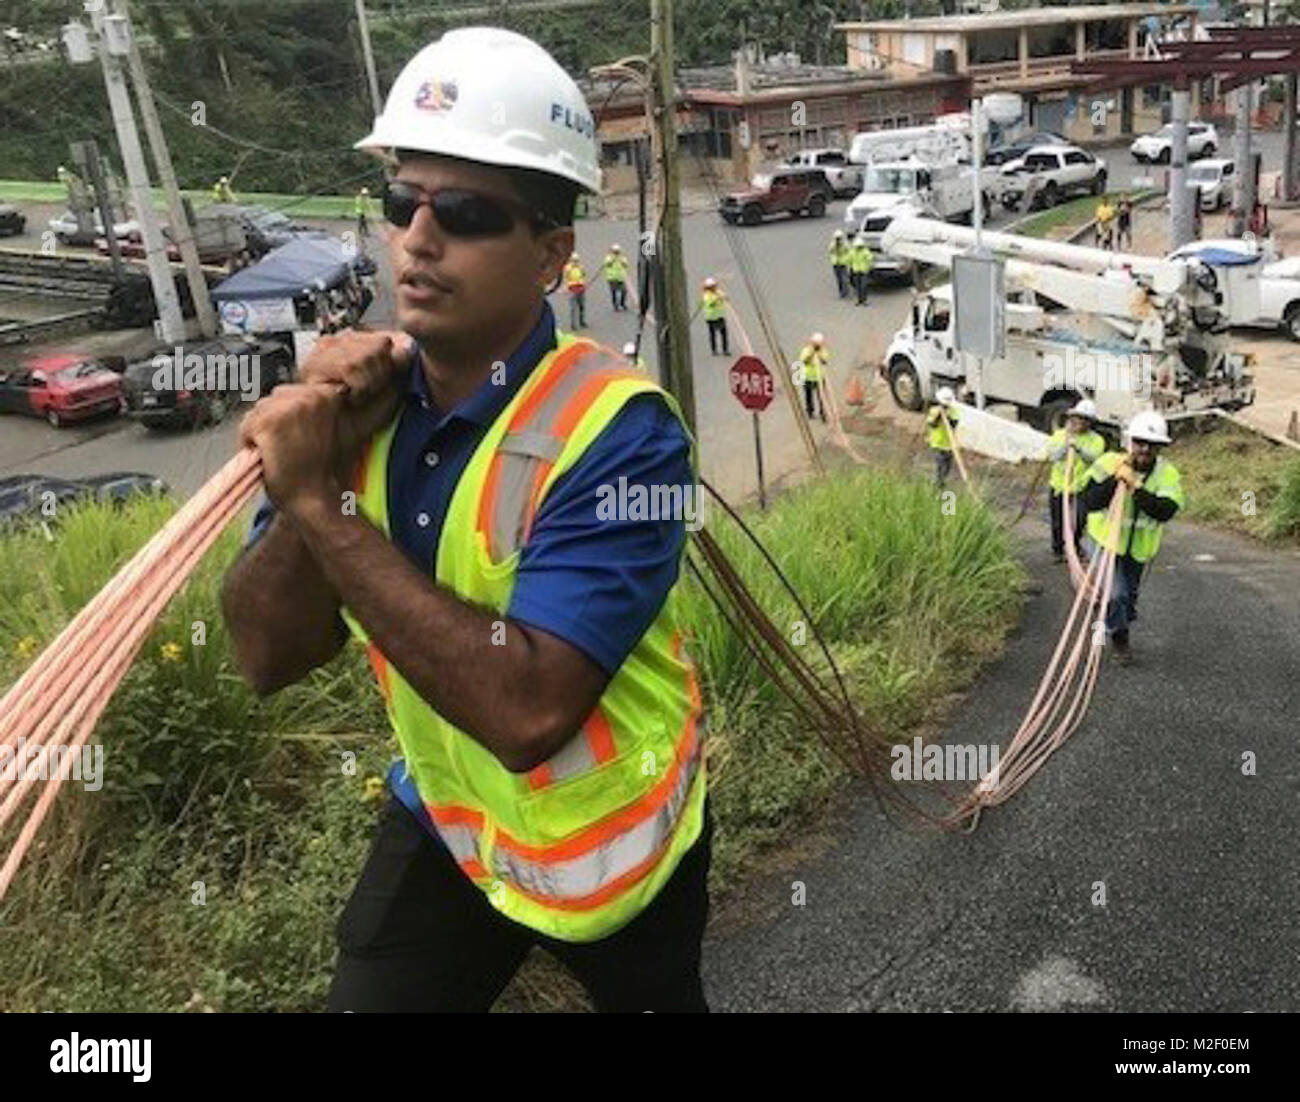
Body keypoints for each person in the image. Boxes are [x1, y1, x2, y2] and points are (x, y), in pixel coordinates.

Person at [220, 26, 711, 1013]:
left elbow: (526, 711)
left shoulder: (619, 433)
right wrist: (318, 471)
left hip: (610, 861)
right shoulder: (355, 410)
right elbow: (266, 654)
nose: (418, 236)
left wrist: (320, 503)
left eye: (469, 212)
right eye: (402, 201)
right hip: (454, 826)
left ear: (551, 253)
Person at [1078, 410, 1184, 664]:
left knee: (1128, 598)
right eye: (1139, 442)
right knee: (1117, 595)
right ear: (1129, 442)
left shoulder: (1167, 474)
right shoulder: (1108, 463)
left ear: (1160, 448)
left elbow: (1165, 511)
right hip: (1104, 542)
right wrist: (1116, 480)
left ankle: (1115, 614)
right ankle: (1119, 640)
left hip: (1137, 550)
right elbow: (1089, 500)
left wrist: (1137, 488)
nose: (1144, 449)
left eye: (1152, 445)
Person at [1046, 398, 1106, 563]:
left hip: (1081, 487)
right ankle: (1058, 549)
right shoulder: (1060, 435)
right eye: (1078, 418)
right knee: (1058, 520)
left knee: (1079, 520)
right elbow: (1053, 456)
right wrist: (1066, 445)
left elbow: (1094, 459)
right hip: (1059, 486)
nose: (1080, 422)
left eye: (1085, 419)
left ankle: (1073, 546)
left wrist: (1078, 449)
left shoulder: (1096, 440)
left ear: (1090, 422)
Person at [926, 385, 960, 487]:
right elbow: (932, 424)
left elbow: (954, 424)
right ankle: (938, 484)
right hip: (937, 444)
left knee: (947, 466)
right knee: (940, 465)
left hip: (949, 444)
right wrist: (939, 416)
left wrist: (948, 417)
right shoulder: (934, 411)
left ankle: (942, 480)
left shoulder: (953, 411)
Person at [797, 332, 828, 422]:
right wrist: (811, 353)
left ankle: (823, 413)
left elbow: (825, 360)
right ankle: (810, 411)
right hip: (807, 377)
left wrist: (819, 354)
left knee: (821, 397)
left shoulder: (823, 350)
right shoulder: (806, 350)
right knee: (808, 396)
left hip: (819, 377)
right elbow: (803, 360)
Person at [701, 276, 729, 356]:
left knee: (723, 333)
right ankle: (714, 350)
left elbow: (724, 296)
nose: (714, 287)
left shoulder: (718, 292)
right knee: (712, 334)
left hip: (720, 315)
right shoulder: (706, 295)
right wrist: (717, 299)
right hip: (711, 317)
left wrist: (725, 297)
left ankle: (725, 350)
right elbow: (711, 304)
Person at [602, 244, 629, 311]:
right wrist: (613, 259)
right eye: (615, 251)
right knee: (614, 292)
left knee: (624, 291)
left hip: (620, 278)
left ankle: (622, 303)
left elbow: (626, 264)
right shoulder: (609, 257)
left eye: (617, 251)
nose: (616, 252)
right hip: (612, 278)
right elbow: (607, 264)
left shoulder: (622, 257)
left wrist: (622, 261)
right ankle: (615, 305)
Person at [849, 233, 874, 306]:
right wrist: (851, 267)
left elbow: (870, 258)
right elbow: (849, 260)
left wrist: (868, 266)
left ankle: (864, 300)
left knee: (863, 286)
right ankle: (859, 300)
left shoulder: (865, 251)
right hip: (856, 271)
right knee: (858, 287)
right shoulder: (852, 252)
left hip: (863, 271)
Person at [564, 251, 586, 328]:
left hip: (581, 288)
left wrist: (582, 283)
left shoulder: (581, 267)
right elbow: (566, 278)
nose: (575, 262)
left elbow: (583, 275)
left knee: (581, 306)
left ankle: (582, 321)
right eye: (574, 260)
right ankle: (573, 324)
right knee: (573, 308)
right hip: (573, 289)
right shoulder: (568, 268)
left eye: (577, 260)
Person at [828, 229, 850, 299]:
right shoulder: (832, 244)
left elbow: (849, 251)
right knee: (839, 279)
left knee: (845, 278)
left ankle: (846, 290)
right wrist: (835, 245)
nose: (838, 240)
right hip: (835, 264)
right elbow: (830, 251)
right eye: (837, 238)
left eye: (839, 238)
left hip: (843, 263)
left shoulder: (845, 244)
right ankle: (841, 292)